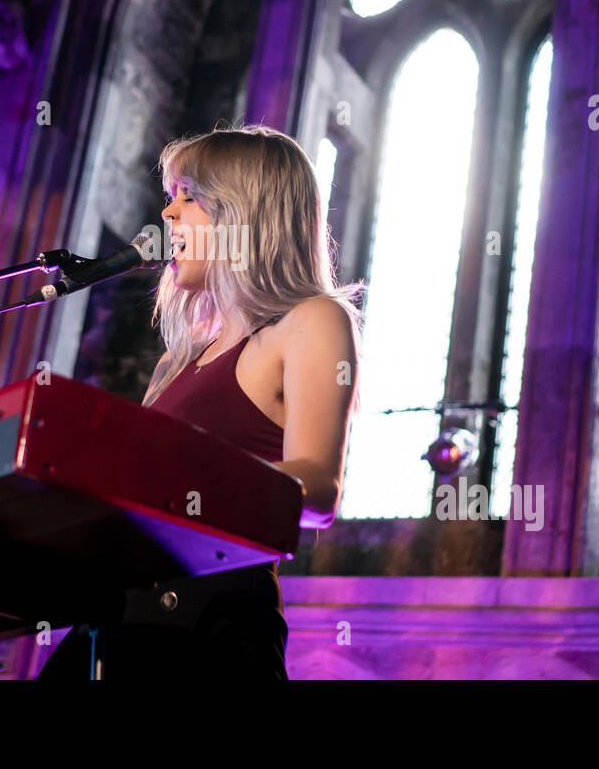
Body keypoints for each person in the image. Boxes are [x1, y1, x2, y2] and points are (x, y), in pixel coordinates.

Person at [36, 124, 362, 680]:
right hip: (121, 615)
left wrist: (178, 482)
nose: (167, 215)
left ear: (244, 214)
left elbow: (318, 489)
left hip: (214, 622)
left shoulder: (311, 320)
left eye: (189, 197)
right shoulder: (174, 362)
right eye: (170, 197)